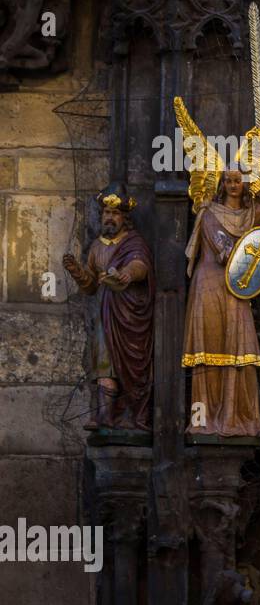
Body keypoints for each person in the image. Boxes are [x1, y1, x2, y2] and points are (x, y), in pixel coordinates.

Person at [182, 144, 260, 437]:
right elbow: (228, 251)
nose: (233, 185)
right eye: (228, 180)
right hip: (211, 286)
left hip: (236, 289)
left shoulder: (249, 216)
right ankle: (204, 419)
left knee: (240, 350)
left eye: (238, 180)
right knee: (209, 350)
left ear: (245, 183)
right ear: (221, 184)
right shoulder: (210, 214)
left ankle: (237, 418)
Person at [62, 183, 154, 430]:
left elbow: (141, 265)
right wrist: (78, 272)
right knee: (104, 363)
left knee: (131, 365)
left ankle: (133, 415)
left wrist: (126, 274)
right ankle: (105, 416)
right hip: (105, 313)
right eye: (106, 213)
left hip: (128, 315)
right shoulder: (96, 246)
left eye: (115, 214)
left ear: (124, 218)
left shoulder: (133, 242)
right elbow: (91, 286)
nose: (109, 218)